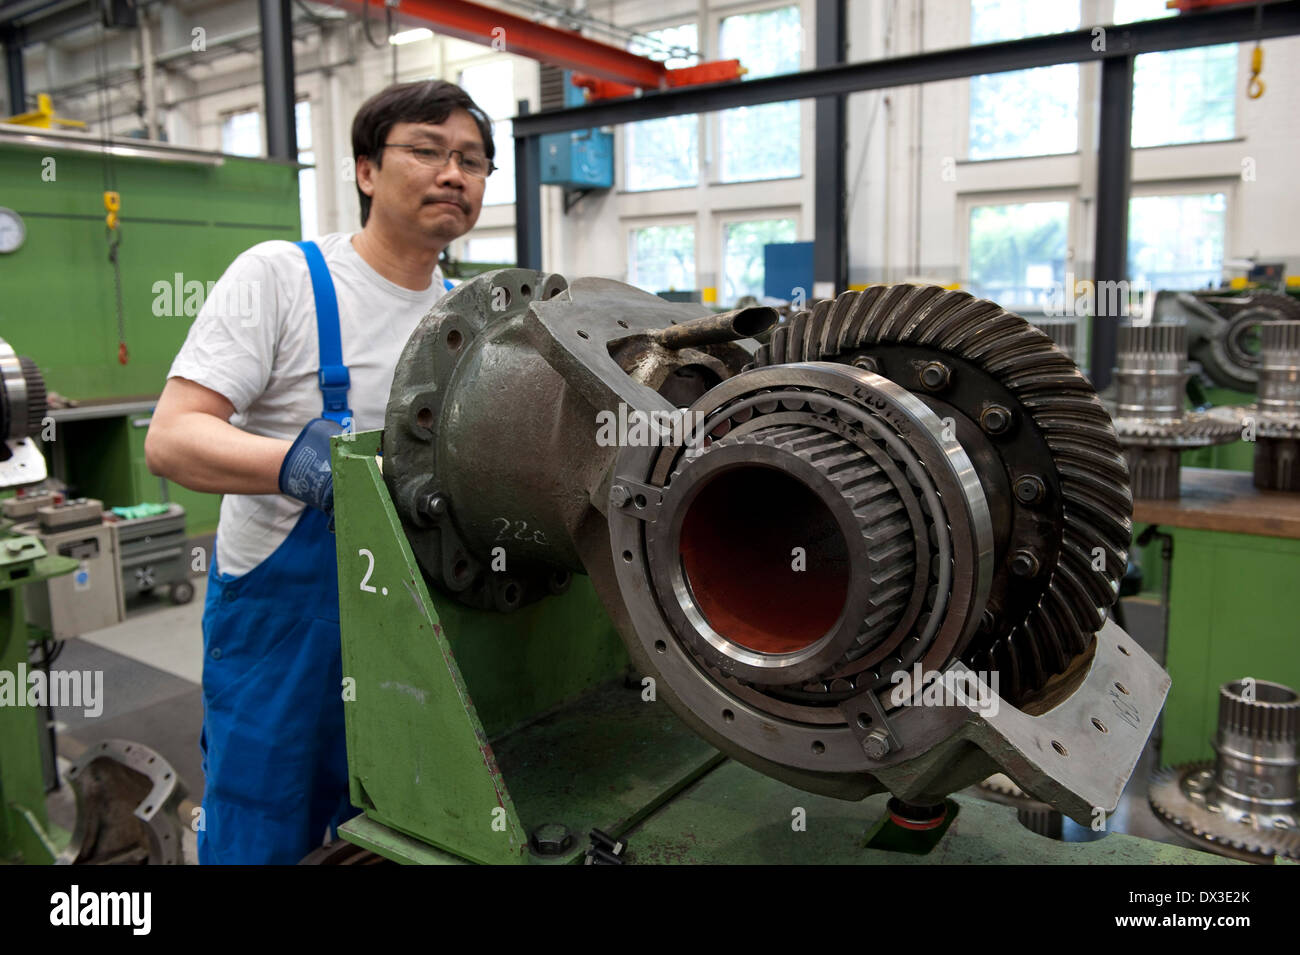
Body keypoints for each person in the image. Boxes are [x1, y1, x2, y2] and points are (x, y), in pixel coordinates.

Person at [145, 80, 494, 864]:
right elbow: (172, 439)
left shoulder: (472, 319)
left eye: (472, 160)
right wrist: (297, 464)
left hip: (419, 622)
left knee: (392, 830)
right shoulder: (283, 277)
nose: (453, 174)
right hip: (284, 634)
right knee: (259, 826)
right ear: (366, 170)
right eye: (427, 150)